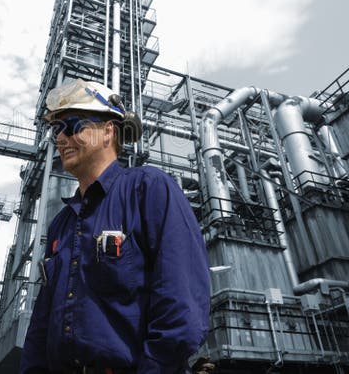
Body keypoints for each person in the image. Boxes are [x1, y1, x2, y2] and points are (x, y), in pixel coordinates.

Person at [20, 78, 211, 373]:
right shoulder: (62, 224)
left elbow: (181, 303)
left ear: (108, 131)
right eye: (56, 130)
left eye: (72, 126)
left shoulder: (148, 189)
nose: (61, 138)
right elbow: (42, 321)